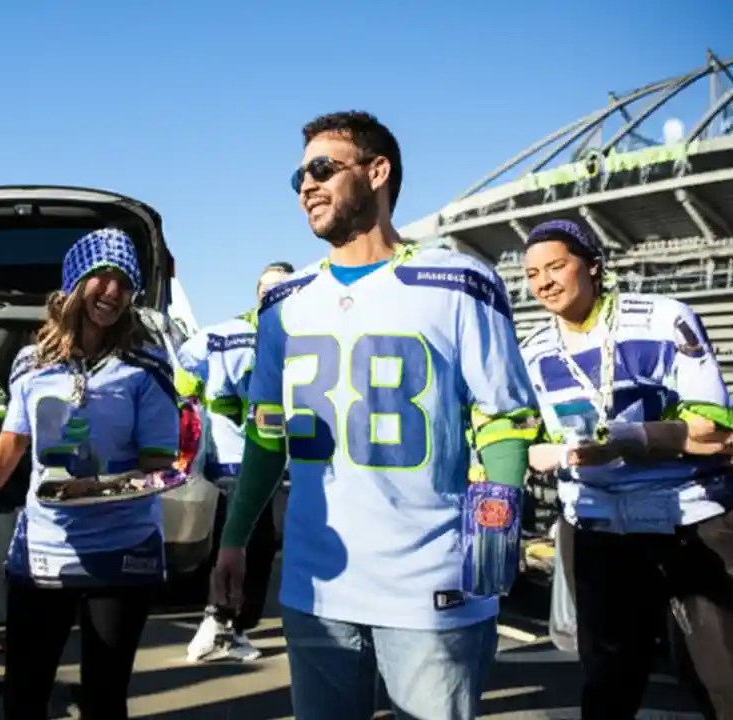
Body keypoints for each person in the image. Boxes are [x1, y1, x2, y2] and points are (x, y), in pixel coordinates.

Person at [211, 111, 540, 720]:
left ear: (377, 170)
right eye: (299, 177)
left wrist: (494, 538)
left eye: (322, 168)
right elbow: (266, 434)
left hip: (430, 586)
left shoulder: (458, 282)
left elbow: (504, 420)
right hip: (316, 584)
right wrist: (234, 540)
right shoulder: (283, 304)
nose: (306, 185)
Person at [0, 228, 181, 720]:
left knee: (103, 697)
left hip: (123, 547)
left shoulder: (146, 366)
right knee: (24, 693)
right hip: (43, 550)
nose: (113, 293)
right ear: (75, 283)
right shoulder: (31, 362)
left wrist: (98, 488)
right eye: (102, 278)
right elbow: (11, 444)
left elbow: (159, 464)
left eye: (124, 283)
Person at [520, 219, 733, 720]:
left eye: (555, 266)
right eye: (532, 274)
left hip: (688, 515)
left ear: (593, 265)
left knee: (720, 678)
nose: (543, 282)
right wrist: (553, 455)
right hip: (596, 523)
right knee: (608, 682)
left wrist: (629, 439)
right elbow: (529, 447)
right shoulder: (531, 351)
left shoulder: (664, 319)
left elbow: (718, 430)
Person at [178, 260, 294, 663]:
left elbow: (183, 377)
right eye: (268, 287)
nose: (274, 293)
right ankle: (222, 622)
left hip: (268, 460)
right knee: (250, 542)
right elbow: (183, 381)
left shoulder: (290, 333)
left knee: (256, 543)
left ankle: (230, 624)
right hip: (239, 459)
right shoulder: (229, 334)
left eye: (282, 287)